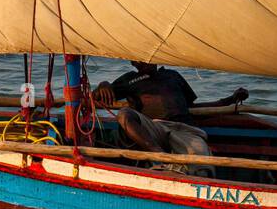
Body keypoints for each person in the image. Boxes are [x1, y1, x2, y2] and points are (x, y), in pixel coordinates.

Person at [92, 62, 249, 174]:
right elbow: (96, 97)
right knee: (124, 114)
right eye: (141, 59)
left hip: (184, 130)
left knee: (202, 169)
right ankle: (161, 157)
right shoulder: (128, 79)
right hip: (154, 127)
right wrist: (103, 84)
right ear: (133, 62)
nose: (147, 61)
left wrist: (230, 100)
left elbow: (192, 107)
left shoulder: (172, 75)